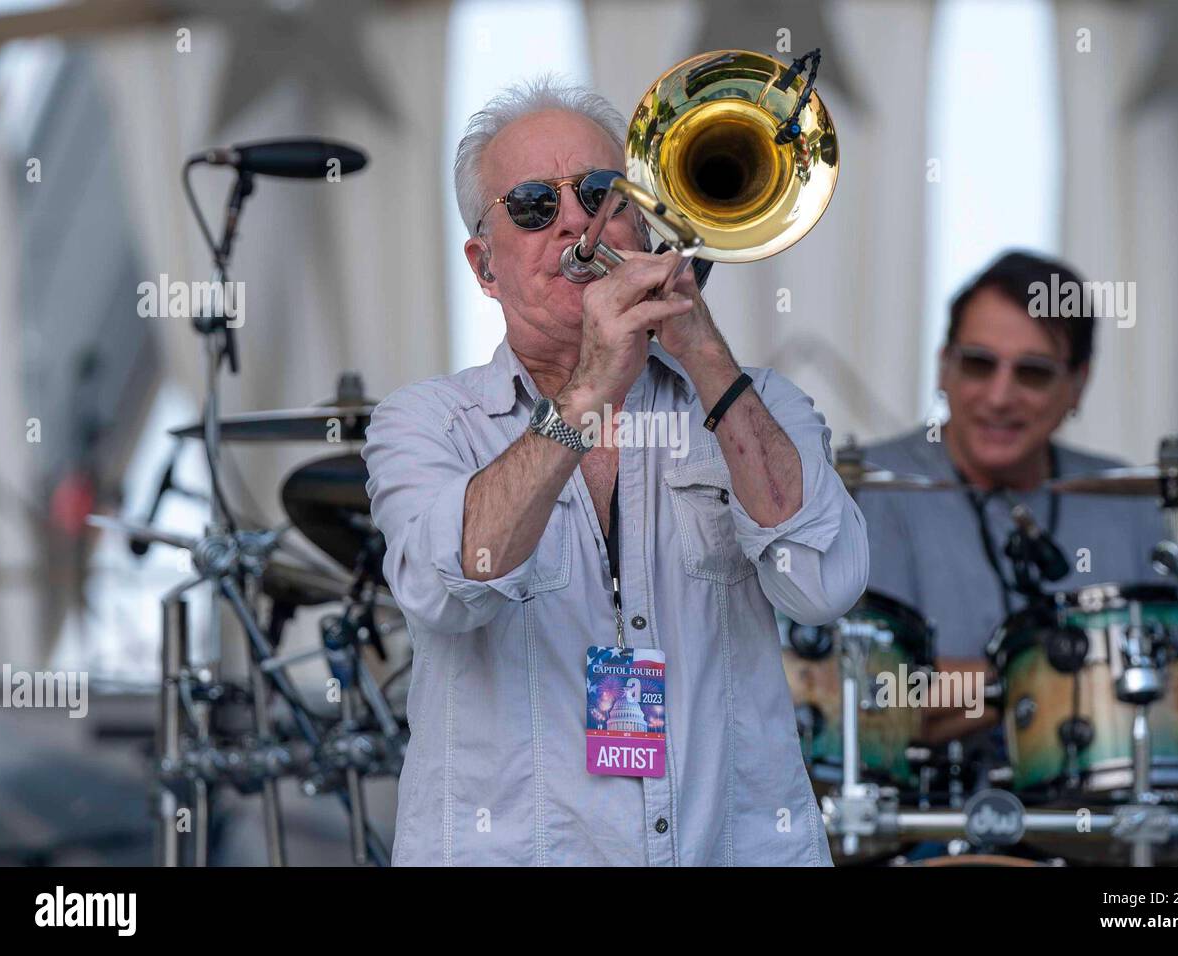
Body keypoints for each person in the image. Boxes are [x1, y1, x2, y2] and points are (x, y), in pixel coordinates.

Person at [362, 77, 868, 866]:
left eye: (602, 191)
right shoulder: (426, 422)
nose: (575, 219)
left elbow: (823, 583)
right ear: (484, 265)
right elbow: (448, 586)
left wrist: (702, 349)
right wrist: (592, 385)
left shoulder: (759, 404)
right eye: (533, 205)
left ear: (641, 219)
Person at [856, 251, 1166, 744]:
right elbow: (866, 697)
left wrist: (971, 686)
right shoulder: (868, 487)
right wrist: (1040, 678)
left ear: (1078, 385)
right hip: (920, 817)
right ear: (943, 368)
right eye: (979, 364)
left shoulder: (1126, 498)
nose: (1000, 396)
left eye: (1033, 373)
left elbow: (1173, 687)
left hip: (1104, 818)